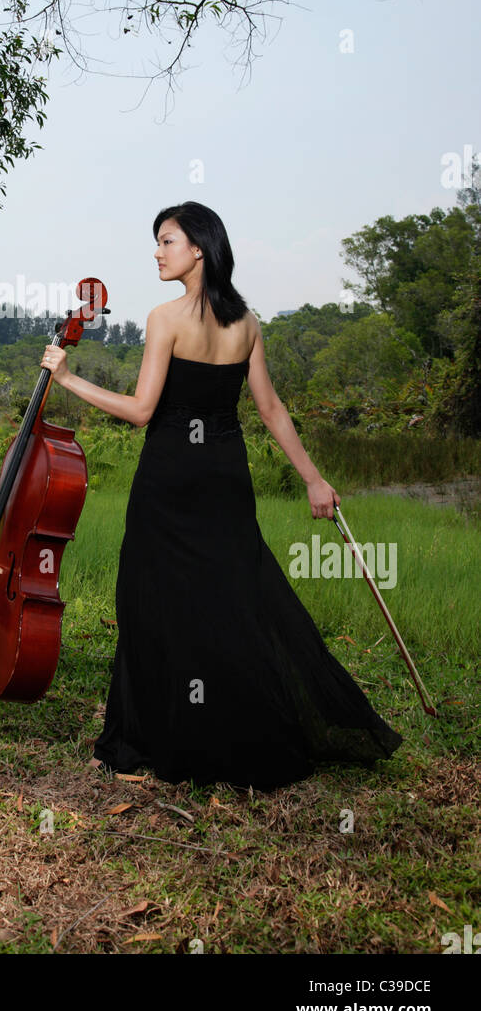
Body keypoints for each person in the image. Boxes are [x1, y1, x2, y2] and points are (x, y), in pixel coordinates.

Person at [39, 202, 402, 792]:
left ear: (198, 249)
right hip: (226, 477)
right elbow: (271, 409)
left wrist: (68, 377)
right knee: (233, 597)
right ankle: (237, 728)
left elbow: (141, 412)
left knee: (153, 594)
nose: (157, 252)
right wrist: (313, 478)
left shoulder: (165, 318)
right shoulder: (249, 322)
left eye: (166, 241)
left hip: (171, 476)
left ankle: (159, 734)